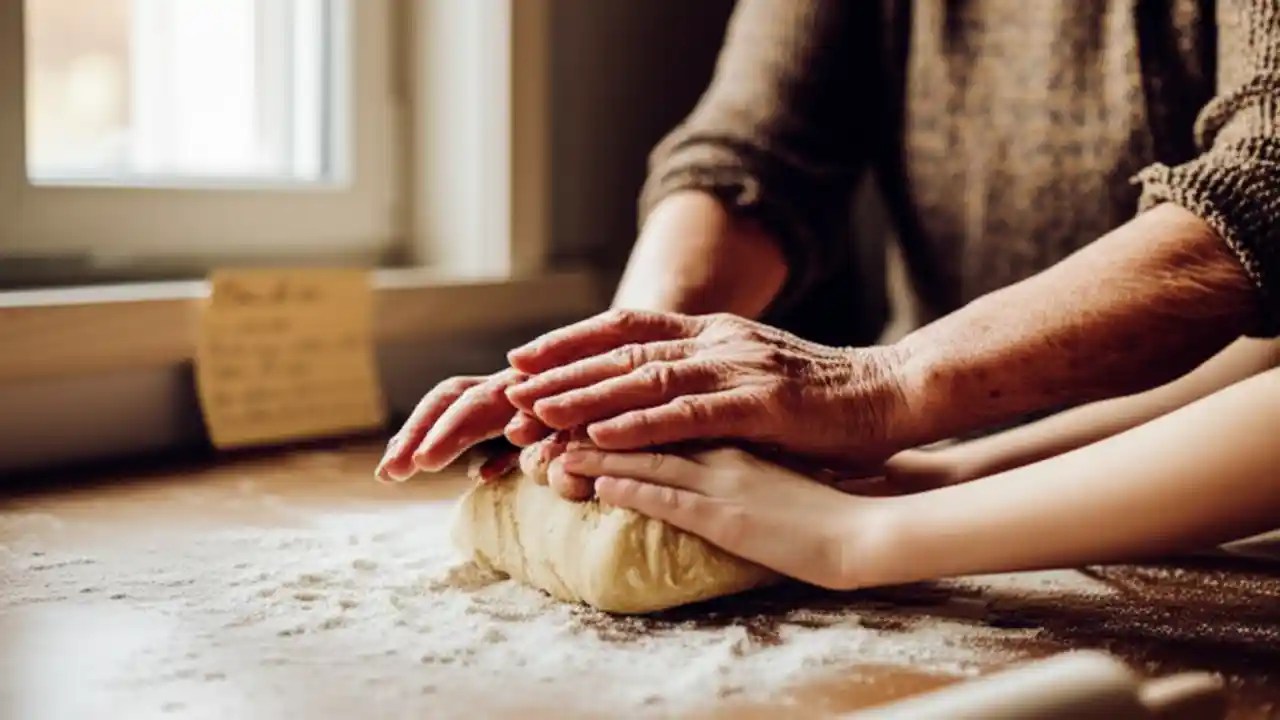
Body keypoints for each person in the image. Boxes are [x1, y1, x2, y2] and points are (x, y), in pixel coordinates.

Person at [375, 2, 1280, 584]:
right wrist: (637, 372)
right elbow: (756, 150)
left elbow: (1262, 185)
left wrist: (881, 389)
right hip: (943, 460)